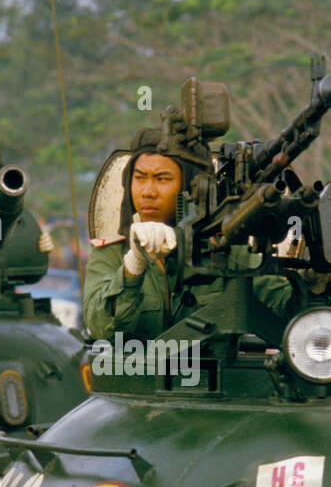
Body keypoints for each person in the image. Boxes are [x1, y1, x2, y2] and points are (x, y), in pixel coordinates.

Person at [83, 127, 315, 342]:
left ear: (191, 188)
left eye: (162, 179)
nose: (147, 192)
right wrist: (133, 266)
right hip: (136, 381)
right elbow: (100, 328)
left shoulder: (230, 252)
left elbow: (287, 315)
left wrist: (315, 284)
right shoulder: (113, 253)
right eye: (139, 178)